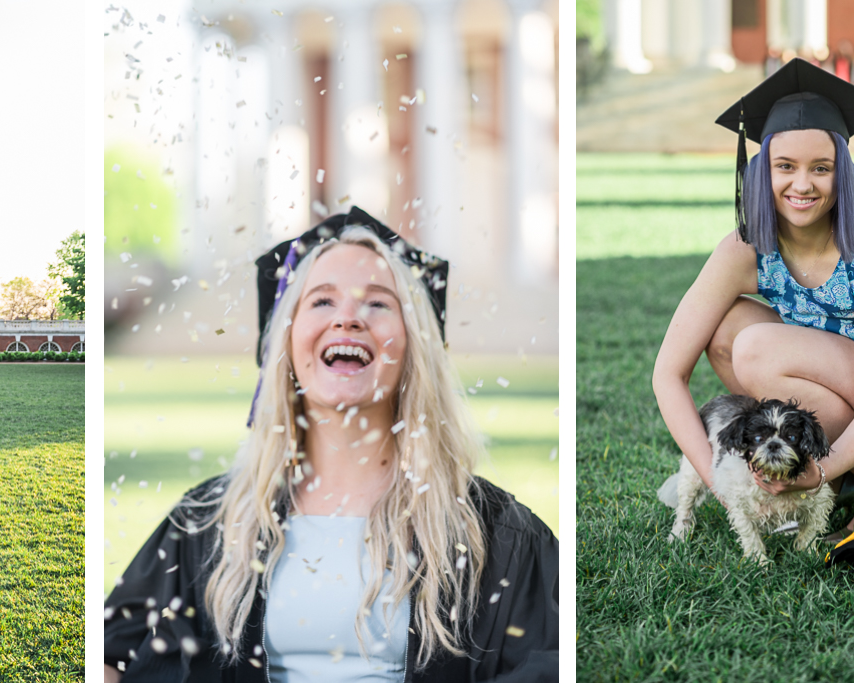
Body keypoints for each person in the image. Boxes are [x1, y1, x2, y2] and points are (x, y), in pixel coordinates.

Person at [103, 208, 558, 682]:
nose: (348, 318)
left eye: (378, 303)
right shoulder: (208, 524)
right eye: (322, 301)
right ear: (287, 341)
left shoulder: (492, 532)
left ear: (414, 345)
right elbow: (112, 656)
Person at [654, 59, 854, 542]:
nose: (802, 184)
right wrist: (720, 481)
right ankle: (836, 475)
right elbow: (667, 374)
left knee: (755, 348)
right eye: (785, 166)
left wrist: (819, 472)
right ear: (762, 171)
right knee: (725, 330)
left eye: (821, 168)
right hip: (843, 377)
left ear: (842, 174)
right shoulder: (745, 248)